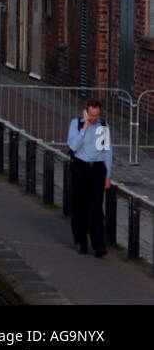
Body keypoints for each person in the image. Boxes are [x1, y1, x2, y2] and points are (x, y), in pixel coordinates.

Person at [67, 100, 113, 257]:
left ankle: (98, 244)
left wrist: (108, 175)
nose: (94, 118)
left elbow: (108, 151)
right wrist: (84, 128)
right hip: (81, 167)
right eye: (91, 115)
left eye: (96, 115)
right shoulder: (76, 124)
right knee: (79, 206)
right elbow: (73, 146)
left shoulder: (104, 127)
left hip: (97, 170)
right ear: (85, 112)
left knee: (96, 209)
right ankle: (80, 241)